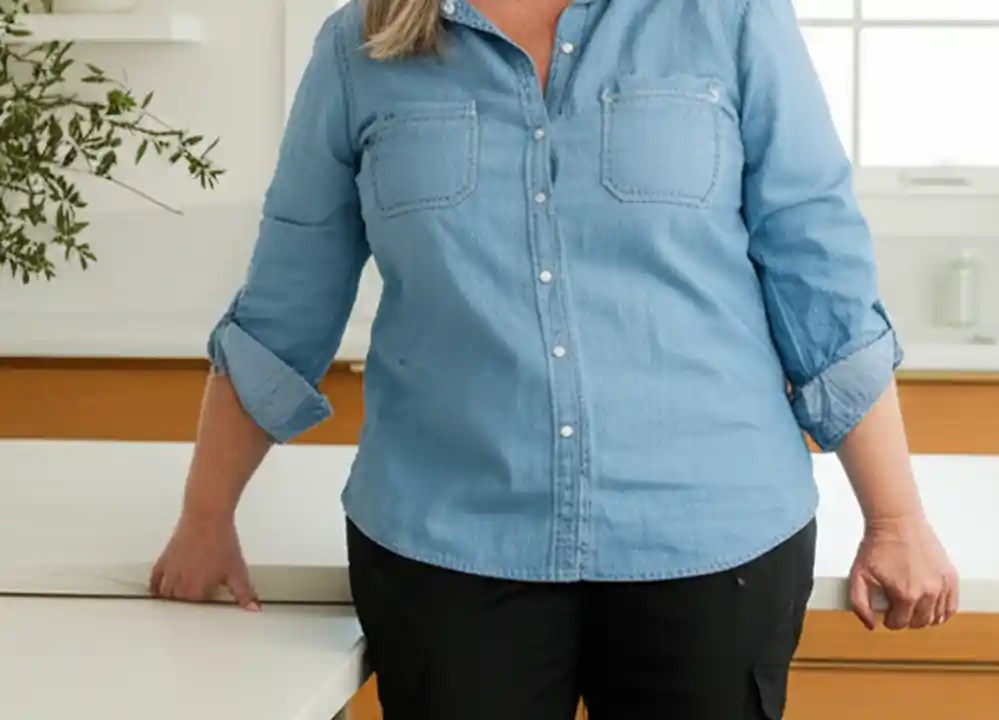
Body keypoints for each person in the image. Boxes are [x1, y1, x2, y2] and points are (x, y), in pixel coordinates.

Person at [151, 0, 958, 717]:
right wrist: (205, 518)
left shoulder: (728, 16)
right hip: (449, 543)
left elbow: (818, 273)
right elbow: (284, 307)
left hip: (710, 537)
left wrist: (895, 519)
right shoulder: (359, 46)